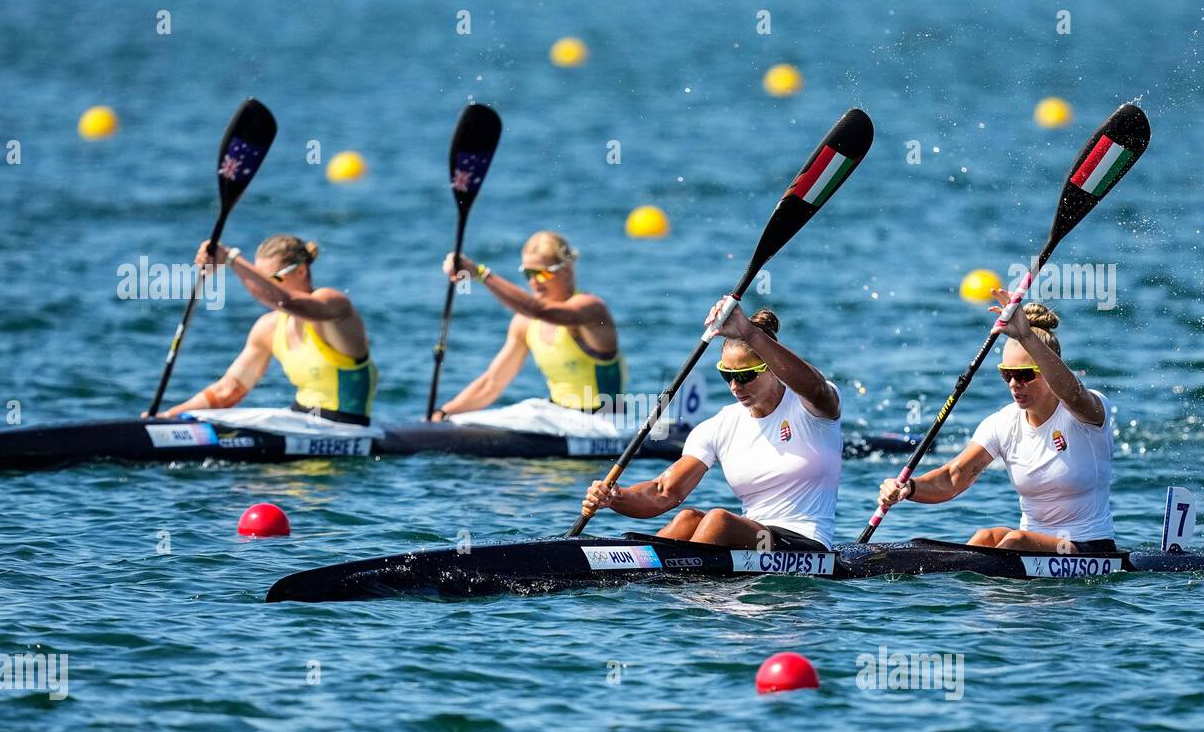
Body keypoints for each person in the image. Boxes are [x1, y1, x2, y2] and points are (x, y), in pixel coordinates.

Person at [580, 301, 842, 550]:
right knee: (688, 519)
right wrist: (614, 497)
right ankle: (638, 572)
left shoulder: (812, 409)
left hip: (806, 543)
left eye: (745, 375)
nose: (734, 386)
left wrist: (750, 334)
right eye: (726, 375)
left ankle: (678, 583)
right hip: (755, 538)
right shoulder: (719, 425)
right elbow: (664, 492)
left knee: (719, 520)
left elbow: (816, 387)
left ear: (772, 369)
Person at [876, 294, 1115, 553]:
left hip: (1089, 546)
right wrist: (908, 488)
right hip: (1031, 544)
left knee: (1016, 541)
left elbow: (1073, 394)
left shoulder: (1085, 413)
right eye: (1007, 374)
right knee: (986, 536)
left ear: (1049, 372)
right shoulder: (1003, 423)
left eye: (1024, 375)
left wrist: (1027, 337)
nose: (1014, 384)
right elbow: (953, 477)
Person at [159, 235, 378, 425]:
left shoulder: (333, 304)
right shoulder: (268, 327)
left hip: (345, 426)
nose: (262, 287)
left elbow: (286, 301)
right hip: (298, 420)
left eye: (269, 280)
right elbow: (229, 390)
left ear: (301, 271)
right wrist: (170, 416)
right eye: (260, 278)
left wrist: (230, 258)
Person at [433, 231, 626, 418]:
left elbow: (539, 310)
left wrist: (481, 274)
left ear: (566, 270)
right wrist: (444, 413)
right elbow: (492, 384)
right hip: (560, 416)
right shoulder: (524, 323)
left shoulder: (590, 309)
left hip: (604, 422)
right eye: (528, 274)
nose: (533, 282)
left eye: (541, 274)